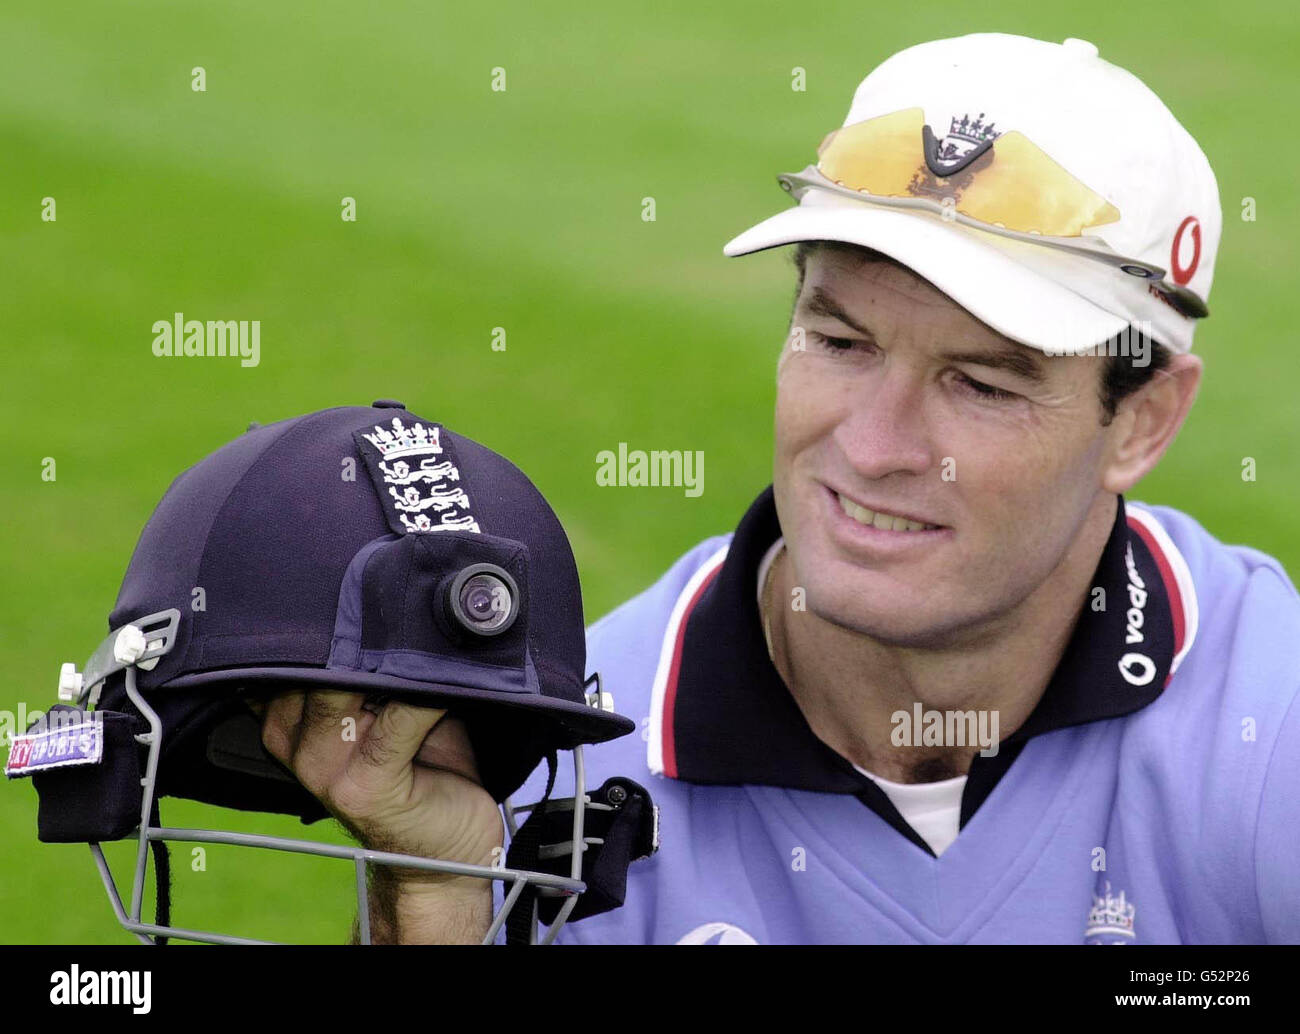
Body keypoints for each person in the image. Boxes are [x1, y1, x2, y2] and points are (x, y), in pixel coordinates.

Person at [262, 33, 1300, 943]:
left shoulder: (1268, 732)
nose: (874, 441)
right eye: (838, 340)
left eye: (980, 383)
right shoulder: (559, 761)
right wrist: (444, 909)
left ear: (1144, 419)